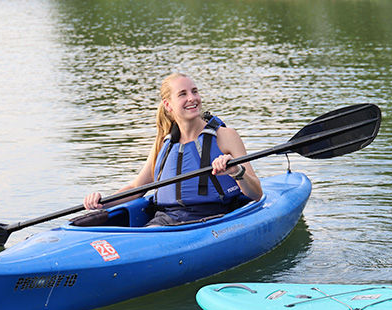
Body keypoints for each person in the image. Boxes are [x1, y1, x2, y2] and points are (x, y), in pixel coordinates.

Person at [83, 73, 263, 226]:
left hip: (215, 218)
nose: (192, 98)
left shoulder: (225, 136)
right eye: (182, 94)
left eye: (194, 91)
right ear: (168, 105)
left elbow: (256, 193)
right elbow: (137, 187)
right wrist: (102, 203)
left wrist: (236, 171)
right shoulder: (164, 142)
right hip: (168, 220)